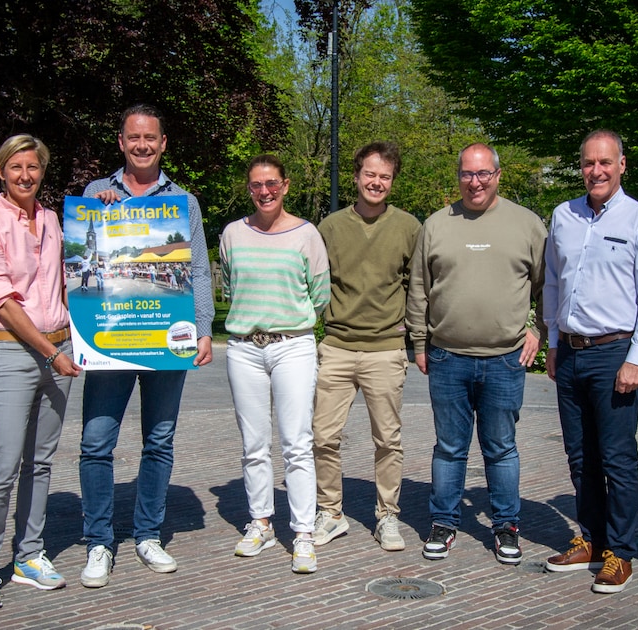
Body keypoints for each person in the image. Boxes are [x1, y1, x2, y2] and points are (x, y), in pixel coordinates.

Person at [77, 104, 215, 586]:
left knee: (158, 440)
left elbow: (197, 269)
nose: (142, 145)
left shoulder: (183, 201)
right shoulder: (97, 193)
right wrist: (102, 216)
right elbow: (77, 254)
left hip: (165, 338)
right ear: (121, 142)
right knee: (97, 442)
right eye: (133, 137)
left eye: (150, 138)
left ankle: (148, 534)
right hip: (109, 338)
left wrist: (203, 327)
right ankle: (98, 542)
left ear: (162, 143)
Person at [406, 143, 546, 565]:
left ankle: (505, 525)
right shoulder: (436, 225)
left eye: (484, 173)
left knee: (501, 447)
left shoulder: (526, 224)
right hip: (448, 356)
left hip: (506, 357)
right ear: (458, 176)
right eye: (467, 174)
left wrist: (538, 329)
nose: (475, 181)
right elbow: (418, 288)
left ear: (498, 175)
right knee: (449, 447)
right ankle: (444, 522)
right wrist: (418, 341)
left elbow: (548, 286)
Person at [542, 130, 638, 593]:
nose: (596, 170)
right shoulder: (563, 215)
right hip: (571, 353)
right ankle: (591, 541)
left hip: (616, 353)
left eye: (605, 162)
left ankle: (620, 551)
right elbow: (552, 282)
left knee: (617, 458)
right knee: (580, 456)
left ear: (622, 164)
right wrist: (554, 340)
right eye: (588, 163)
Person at [0, 134, 83, 610]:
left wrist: (107, 206)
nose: (25, 176)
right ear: (1, 172)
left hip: (59, 348)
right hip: (12, 351)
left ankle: (29, 555)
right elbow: (4, 304)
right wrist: (51, 354)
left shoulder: (55, 220)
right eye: (16, 167)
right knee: (5, 463)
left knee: (41, 461)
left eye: (33, 167)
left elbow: (78, 275)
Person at [220, 154, 329, 574]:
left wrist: (288, 321)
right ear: (249, 189)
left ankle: (302, 532)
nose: (264, 191)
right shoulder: (233, 233)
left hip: (292, 344)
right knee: (254, 444)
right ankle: (261, 521)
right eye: (255, 185)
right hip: (245, 347)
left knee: (297, 442)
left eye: (271, 183)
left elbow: (319, 294)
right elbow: (230, 286)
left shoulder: (307, 234)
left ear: (285, 185)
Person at [311, 142, 420, 552]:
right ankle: (330, 512)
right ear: (356, 176)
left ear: (392, 182)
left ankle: (387, 516)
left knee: (387, 440)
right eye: (370, 174)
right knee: (322, 436)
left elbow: (417, 284)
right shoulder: (331, 227)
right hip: (337, 345)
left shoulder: (409, 227)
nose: (376, 182)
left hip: (385, 349)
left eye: (385, 176)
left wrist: (408, 330)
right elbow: (316, 281)